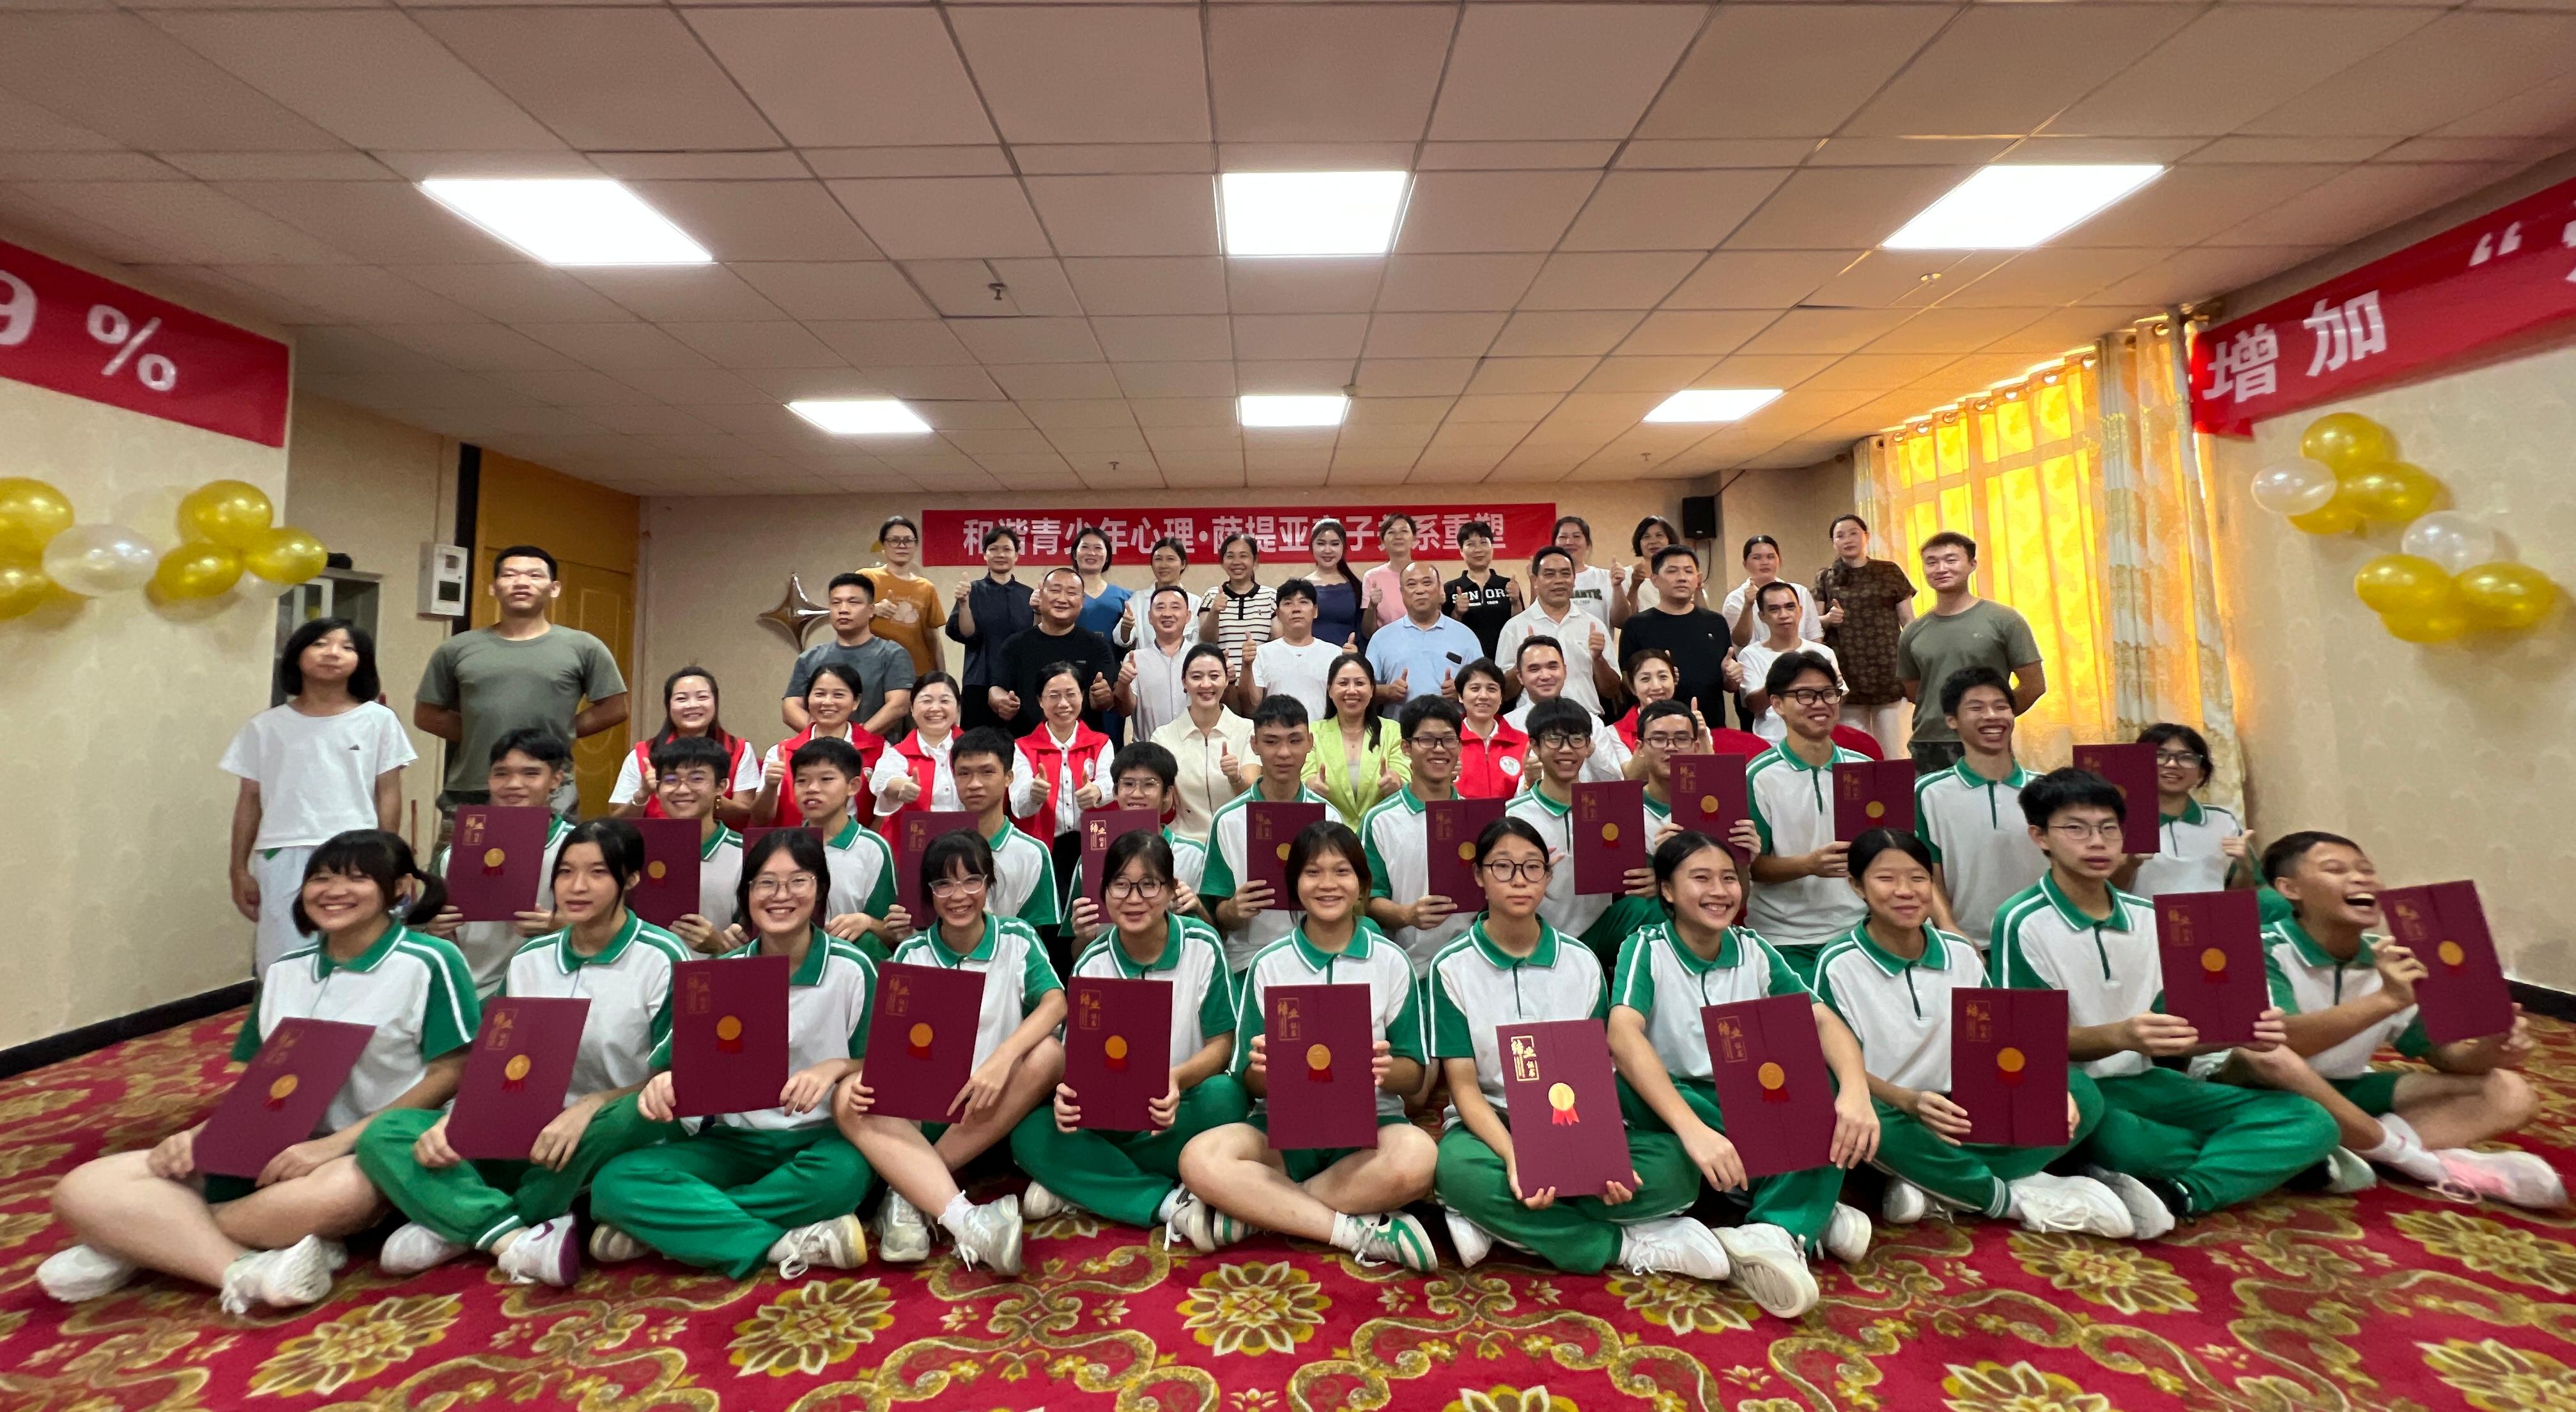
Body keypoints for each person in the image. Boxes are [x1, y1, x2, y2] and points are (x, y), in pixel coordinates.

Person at [43, 831, 474, 1312]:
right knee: (82, 1189)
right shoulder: (285, 970)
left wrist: (335, 1144)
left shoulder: (429, 961)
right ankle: (246, 1266)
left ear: (398, 889)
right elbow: (264, 1079)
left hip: (374, 1145)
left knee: (341, 1195)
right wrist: (200, 1135)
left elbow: (451, 1071)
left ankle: (140, 1240)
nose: (334, 891)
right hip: (273, 1138)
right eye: (321, 878)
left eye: (357, 878)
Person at [1991, 770, 2337, 1238]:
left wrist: (2237, 1034)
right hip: (2075, 1091)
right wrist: (2120, 1035)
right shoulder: (2022, 920)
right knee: (2130, 1147)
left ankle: (2178, 1192)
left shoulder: (2150, 919)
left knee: (2312, 1119)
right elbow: (2024, 1043)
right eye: (2075, 829)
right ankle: (2256, 1163)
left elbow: (2178, 1037)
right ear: (2040, 838)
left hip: (2147, 1082)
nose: (2097, 842)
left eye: (2109, 828)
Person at [359, 819, 691, 1286]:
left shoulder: (662, 955)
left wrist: (590, 1106)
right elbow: (497, 1063)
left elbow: (672, 1078)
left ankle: (463, 1219)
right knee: (386, 1132)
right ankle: (512, 1235)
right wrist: (456, 1120)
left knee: (642, 1111)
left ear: (631, 879)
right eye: (566, 872)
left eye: (597, 872)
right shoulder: (530, 958)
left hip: (612, 1125)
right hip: (530, 1123)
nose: (577, 886)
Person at [1429, 817, 1727, 1278]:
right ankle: (1622, 1245)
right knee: (1455, 1171)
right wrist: (1516, 1158)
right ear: (1479, 876)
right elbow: (1464, 1088)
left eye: (1532, 867)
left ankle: (1503, 1221)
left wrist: (1596, 1155)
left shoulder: (1580, 961)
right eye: (1503, 867)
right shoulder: (1451, 966)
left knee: (1677, 1169)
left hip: (1569, 1121)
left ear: (1548, 877)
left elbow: (1594, 1073)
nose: (1519, 880)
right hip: (1491, 1124)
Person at [2203, 833, 2558, 1206]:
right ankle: (2416, 1161)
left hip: (2342, 1088)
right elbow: (2280, 1042)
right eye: (2335, 870)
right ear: (2290, 889)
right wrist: (2387, 1000)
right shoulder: (2255, 947)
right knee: (2269, 1055)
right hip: (2249, 1092)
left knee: (2510, 1092)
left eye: (2367, 870)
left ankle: (2338, 1151)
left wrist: (2491, 1049)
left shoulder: (2391, 958)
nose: (2361, 879)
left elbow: (2448, 1057)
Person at [1607, 831, 1878, 1319]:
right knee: (1626, 1081)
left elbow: (1820, 1021)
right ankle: (1804, 1205)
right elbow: (1623, 1035)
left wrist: (1856, 1093)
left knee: (1830, 1083)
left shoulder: (1753, 948)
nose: (1719, 891)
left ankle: (1771, 1231)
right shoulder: (1646, 947)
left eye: (1729, 878)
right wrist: (1694, 1131)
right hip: (1677, 1100)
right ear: (1666, 890)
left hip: (1746, 1098)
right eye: (1701, 878)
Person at [586, 829, 877, 1280]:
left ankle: (674, 1227)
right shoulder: (721, 973)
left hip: (820, 1140)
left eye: (798, 881)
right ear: (747, 894)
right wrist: (665, 1081)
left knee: (846, 1176)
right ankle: (782, 1242)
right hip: (732, 1141)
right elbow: (673, 1067)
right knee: (614, 1183)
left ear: (820, 889)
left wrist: (835, 1067)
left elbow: (877, 1063)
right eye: (766, 883)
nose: (781, 896)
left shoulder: (852, 968)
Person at [1812, 829, 2131, 1236]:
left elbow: (2000, 1040)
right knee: (1845, 1109)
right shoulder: (1838, 962)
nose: (1905, 891)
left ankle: (1936, 1185)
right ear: (1857, 886)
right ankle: (2006, 1199)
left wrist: (2049, 1085)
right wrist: (1909, 1101)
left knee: (2081, 1091)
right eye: (1886, 879)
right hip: (1894, 1110)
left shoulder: (1959, 953)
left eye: (1917, 878)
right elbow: (1839, 1065)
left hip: (1964, 1110)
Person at [1171, 822, 1438, 1268]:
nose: (1328, 884)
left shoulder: (1391, 961)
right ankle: (1352, 1229)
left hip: (1371, 1129)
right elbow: (1250, 1082)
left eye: (1342, 872)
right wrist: (1263, 1069)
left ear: (1362, 885)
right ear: (1295, 884)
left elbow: (1414, 1076)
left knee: (1419, 1158)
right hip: (1283, 1128)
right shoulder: (1269, 964)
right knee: (1199, 1159)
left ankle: (1262, 1212)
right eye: (1313, 872)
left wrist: (1385, 1069)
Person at [845, 830, 1066, 1271]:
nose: (959, 896)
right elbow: (890, 1049)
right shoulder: (912, 953)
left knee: (1049, 1053)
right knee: (854, 1091)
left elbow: (1056, 1003)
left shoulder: (1017, 938)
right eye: (943, 884)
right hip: (929, 1110)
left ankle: (909, 1189)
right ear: (929, 893)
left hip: (996, 1104)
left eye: (971, 881)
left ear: (988, 883)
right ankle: (928, 1190)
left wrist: (1000, 1061)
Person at [1010, 830, 1249, 1231]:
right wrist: (1068, 1097)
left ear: (1171, 889)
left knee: (1226, 1097)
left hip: (1177, 1108)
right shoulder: (1092, 962)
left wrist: (1176, 1079)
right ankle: (1167, 1200)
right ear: (1104, 893)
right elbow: (1078, 1065)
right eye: (1120, 885)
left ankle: (1083, 1180)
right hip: (1110, 1116)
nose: (1134, 898)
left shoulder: (1202, 944)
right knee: (1029, 1131)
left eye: (1149, 885)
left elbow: (1222, 1045)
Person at [226, 617, 415, 976]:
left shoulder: (378, 720)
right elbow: (249, 800)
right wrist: (238, 869)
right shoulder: (265, 727)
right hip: (283, 851)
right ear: (297, 655)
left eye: (347, 647)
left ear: (361, 661)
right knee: (283, 958)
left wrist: (387, 857)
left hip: (358, 852)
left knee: (357, 951)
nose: (333, 653)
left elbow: (388, 792)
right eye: (320, 644)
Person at [415, 544, 628, 813]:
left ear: (554, 588)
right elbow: (426, 715)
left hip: (550, 789)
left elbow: (614, 709)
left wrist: (559, 731)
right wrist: (478, 730)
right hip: (473, 786)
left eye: (535, 575)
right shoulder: (456, 649)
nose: (521, 583)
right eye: (510, 575)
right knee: (464, 844)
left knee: (551, 844)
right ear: (493, 588)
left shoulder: (584, 647)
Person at [1745, 652, 1873, 981]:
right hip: (1784, 937)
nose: (1820, 704)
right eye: (1805, 695)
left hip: (1861, 931)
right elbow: (1752, 866)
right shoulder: (1758, 776)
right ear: (1777, 704)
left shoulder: (1865, 770)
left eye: (1829, 693)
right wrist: (1809, 865)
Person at [1504, 698, 1664, 960]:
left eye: (1576, 739)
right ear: (1535, 746)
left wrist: (1652, 879)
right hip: (1538, 934)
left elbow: (1635, 872)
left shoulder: (1612, 807)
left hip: (1599, 927)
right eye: (1554, 740)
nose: (1566, 749)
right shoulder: (1514, 815)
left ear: (1589, 746)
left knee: (1659, 905)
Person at [423, 728, 576, 994]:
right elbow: (429, 934)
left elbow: (611, 927)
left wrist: (561, 925)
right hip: (471, 992)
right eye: (501, 773)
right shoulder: (454, 854)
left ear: (556, 780)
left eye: (531, 773)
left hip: (548, 991)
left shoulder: (578, 847)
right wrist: (435, 929)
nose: (514, 784)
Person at [1199, 695, 1346, 971]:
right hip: (1247, 961)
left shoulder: (1329, 817)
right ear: (1254, 745)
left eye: (1295, 740)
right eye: (1271, 741)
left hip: (1316, 956)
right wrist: (1234, 909)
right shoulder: (1229, 819)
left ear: (1310, 743)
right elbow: (1218, 913)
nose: (1284, 753)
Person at [1911, 667, 2044, 946]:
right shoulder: (1927, 793)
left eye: (2001, 707)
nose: (1992, 716)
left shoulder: (2046, 790)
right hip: (1968, 944)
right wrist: (1949, 927)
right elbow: (1927, 872)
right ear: (1952, 720)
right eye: (1976, 708)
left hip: (2041, 941)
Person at [1896, 532, 2044, 772]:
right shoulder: (1913, 631)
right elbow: (1915, 691)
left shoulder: (2005, 620)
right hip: (1928, 743)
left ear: (1972, 564)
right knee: (1929, 798)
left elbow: (2034, 685)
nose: (1941, 568)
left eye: (1951, 560)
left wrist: (1992, 719)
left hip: (1987, 743)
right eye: (1932, 562)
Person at [1360, 696, 1481, 975]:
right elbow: (1367, 899)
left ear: (1459, 746)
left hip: (1473, 966)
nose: (1439, 749)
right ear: (1406, 747)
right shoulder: (1380, 820)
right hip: (1407, 969)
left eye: (1448, 740)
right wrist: (1407, 915)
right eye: (1426, 740)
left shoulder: (1479, 818)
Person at [1061, 742, 1212, 954]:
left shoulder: (1194, 854)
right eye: (1128, 784)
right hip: (1111, 969)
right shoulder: (1091, 858)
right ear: (1115, 791)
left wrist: (1198, 907)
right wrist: (1084, 937)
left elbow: (1218, 934)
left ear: (1167, 793)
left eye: (1149, 784)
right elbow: (1077, 954)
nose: (1137, 794)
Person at [1008, 662, 1116, 906]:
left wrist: (1098, 791)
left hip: (1092, 848)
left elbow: (1112, 781)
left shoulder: (1101, 743)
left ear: (1083, 696)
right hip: (1044, 851)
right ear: (1040, 701)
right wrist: (1033, 793)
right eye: (1054, 696)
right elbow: (1018, 807)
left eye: (1071, 694)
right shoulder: (1023, 747)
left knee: (1092, 915)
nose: (1063, 704)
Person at [790, 737, 906, 957]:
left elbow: (893, 934)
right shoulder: (783, 847)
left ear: (853, 786)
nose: (812, 789)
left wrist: (868, 922)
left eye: (826, 779)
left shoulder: (873, 849)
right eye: (802, 780)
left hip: (853, 965)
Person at [1814, 514, 1916, 759]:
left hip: (1889, 671)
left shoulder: (1889, 571)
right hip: (1846, 673)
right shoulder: (1825, 577)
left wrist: (1916, 665)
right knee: (1854, 755)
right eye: (1840, 536)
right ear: (1833, 542)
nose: (1848, 539)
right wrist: (1827, 619)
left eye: (1854, 533)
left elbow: (1909, 621)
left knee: (1895, 752)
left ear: (1866, 536)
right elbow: (1813, 627)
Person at [946, 727, 1064, 934]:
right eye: (964, 773)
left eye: (987, 772)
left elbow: (1034, 934)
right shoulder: (938, 846)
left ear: (1009, 777)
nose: (974, 784)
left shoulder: (1032, 853)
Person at [2117, 723, 2251, 900]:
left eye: (2186, 757)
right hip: (2143, 917)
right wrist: (2129, 866)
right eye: (2160, 755)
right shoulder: (2118, 821)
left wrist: (2245, 866)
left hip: (2208, 916)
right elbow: (2101, 895)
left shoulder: (2223, 821)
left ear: (2201, 773)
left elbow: (2240, 894)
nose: (2172, 764)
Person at [613, 666, 757, 825]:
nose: (692, 705)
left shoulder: (739, 749)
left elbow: (747, 816)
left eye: (702, 697)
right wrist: (643, 793)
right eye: (682, 699)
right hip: (655, 839)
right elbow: (617, 822)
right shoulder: (643, 754)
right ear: (668, 705)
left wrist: (706, 792)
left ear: (715, 702)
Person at [993, 565, 1123, 738]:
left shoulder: (1098, 646)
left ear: (1082, 601)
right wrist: (1001, 701)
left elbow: (1102, 702)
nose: (1062, 599)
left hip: (1082, 745)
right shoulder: (1015, 644)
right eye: (1055, 591)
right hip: (1025, 743)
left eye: (1071, 593)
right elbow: (996, 688)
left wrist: (1102, 697)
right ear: (1041, 595)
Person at [785, 573, 916, 741]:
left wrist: (853, 739)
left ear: (871, 610)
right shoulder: (809, 658)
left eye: (853, 602)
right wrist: (827, 738)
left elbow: (899, 705)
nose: (843, 610)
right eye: (836, 603)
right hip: (821, 749)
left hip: (878, 750)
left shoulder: (892, 654)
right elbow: (790, 707)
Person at [754, 663, 884, 830]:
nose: (827, 702)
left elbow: (887, 814)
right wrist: (770, 787)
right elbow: (760, 819)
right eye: (820, 694)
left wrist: (864, 842)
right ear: (808, 700)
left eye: (838, 695)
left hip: (855, 842)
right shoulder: (781, 752)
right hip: (796, 843)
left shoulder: (880, 750)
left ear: (856, 702)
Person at [1616, 544, 1734, 730]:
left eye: (1688, 571)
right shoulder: (1636, 625)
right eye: (1672, 571)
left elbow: (1729, 685)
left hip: (1711, 727)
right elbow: (1626, 682)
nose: (1682, 578)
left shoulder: (1716, 622)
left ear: (1698, 579)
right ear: (1655, 580)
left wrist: (1732, 676)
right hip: (1656, 730)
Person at [647, 735, 743, 951]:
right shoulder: (637, 850)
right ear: (658, 789)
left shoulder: (747, 854)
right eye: (671, 780)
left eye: (697, 779)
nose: (682, 790)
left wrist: (719, 946)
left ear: (721, 786)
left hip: (717, 970)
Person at [1151, 644, 1254, 843]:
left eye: (1214, 676)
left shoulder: (1247, 730)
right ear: (1184, 682)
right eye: (1197, 677)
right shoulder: (1162, 737)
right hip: (1183, 844)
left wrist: (1236, 778)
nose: (1206, 685)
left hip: (1237, 842)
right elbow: (1161, 806)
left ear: (1226, 680)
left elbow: (1253, 796)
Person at [1500, 548, 1618, 718]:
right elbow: (1504, 693)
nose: (1559, 580)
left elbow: (1611, 691)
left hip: (1586, 720)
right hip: (1533, 722)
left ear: (1574, 580)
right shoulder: (1515, 627)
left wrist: (1599, 659)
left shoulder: (1594, 625)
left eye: (1565, 574)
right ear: (1535, 581)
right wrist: (1524, 659)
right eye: (1549, 574)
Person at [1503, 638, 1628, 783]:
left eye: (1553, 667)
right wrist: (1528, 782)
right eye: (1534, 669)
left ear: (1565, 670)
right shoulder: (1506, 726)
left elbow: (1615, 782)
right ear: (1520, 677)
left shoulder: (1592, 723)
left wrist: (1592, 752)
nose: (1545, 676)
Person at [948, 525, 1034, 733]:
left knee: (1020, 745)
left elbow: (1034, 639)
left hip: (1018, 686)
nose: (1000, 555)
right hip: (979, 682)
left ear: (1017, 556)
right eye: (994, 549)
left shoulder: (1028, 595)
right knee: (976, 745)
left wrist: (1039, 611)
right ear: (985, 555)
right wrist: (964, 603)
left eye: (1007, 549)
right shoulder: (972, 591)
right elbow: (967, 634)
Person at [1732, 582, 1841, 744]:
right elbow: (1753, 706)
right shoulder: (1751, 654)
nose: (1784, 615)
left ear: (1800, 611)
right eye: (1774, 609)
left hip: (1818, 741)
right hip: (1771, 742)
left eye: (1790, 607)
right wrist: (1782, 676)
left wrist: (1829, 691)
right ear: (1762, 616)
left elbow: (1839, 698)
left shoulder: (1823, 652)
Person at [1307, 653, 1410, 823]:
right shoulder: (1312, 733)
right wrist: (1309, 787)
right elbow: (1303, 779)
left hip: (1379, 829)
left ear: (1372, 689)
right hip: (1327, 831)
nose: (1352, 691)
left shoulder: (1393, 731)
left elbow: (1406, 780)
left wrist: (1399, 784)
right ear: (1330, 689)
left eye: (1360, 683)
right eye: (1343, 683)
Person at [1368, 560, 1482, 703]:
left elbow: (1483, 685)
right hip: (1399, 718)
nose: (1420, 590)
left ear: (1440, 588)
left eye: (1427, 583)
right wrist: (1386, 691)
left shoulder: (1465, 636)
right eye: (1411, 585)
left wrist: (1462, 690)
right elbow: (1365, 687)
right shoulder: (1381, 638)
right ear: (1402, 593)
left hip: (1452, 718)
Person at [1618, 650, 1766, 761]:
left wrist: (1701, 736)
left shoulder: (1694, 723)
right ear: (1632, 688)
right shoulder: (1616, 733)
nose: (1656, 686)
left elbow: (1709, 770)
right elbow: (1629, 778)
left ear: (1675, 680)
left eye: (1663, 677)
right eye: (1645, 679)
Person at [872, 673, 964, 840]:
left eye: (945, 701)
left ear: (957, 708)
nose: (935, 708)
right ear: (912, 709)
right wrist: (900, 787)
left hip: (968, 845)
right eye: (926, 701)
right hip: (914, 847)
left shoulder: (975, 751)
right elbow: (884, 780)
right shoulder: (897, 755)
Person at [862, 516, 945, 680]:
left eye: (908, 541)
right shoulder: (866, 578)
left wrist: (942, 677)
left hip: (917, 673)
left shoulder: (926, 587)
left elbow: (933, 638)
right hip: (874, 671)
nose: (902, 546)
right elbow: (849, 617)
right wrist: (873, 609)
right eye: (895, 540)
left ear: (916, 546)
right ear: (883, 544)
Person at [1244, 579, 1341, 719]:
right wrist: (1247, 666)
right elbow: (1252, 707)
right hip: (1277, 730)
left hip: (1324, 731)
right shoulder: (1261, 654)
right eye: (1288, 603)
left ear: (1315, 611)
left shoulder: (1336, 654)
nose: (1296, 609)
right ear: (1278, 613)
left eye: (1303, 602)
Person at [1122, 584, 1198, 742]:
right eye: (1160, 608)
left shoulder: (1200, 657)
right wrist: (1124, 684)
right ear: (1150, 617)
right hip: (1149, 750)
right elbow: (1124, 710)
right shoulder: (1135, 659)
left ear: (1188, 616)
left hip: (1194, 748)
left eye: (1175, 607)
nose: (1167, 614)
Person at [1721, 535, 1823, 650]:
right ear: (1745, 564)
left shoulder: (1800, 592)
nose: (1765, 562)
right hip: (1757, 661)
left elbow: (1814, 636)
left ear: (1780, 561)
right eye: (1757, 558)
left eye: (1771, 557)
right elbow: (1740, 641)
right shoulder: (1735, 599)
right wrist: (1747, 606)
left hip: (1801, 659)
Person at [1198, 532, 1278, 679]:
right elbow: (1206, 640)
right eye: (1230, 556)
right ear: (1222, 561)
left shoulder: (1271, 597)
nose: (1236, 562)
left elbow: (1279, 641)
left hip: (1260, 681)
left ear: (1255, 561)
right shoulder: (1211, 595)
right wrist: (1214, 612)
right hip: (1221, 681)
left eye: (1243, 556)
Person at [1451, 659, 1531, 801]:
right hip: (1460, 814)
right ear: (1460, 696)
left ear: (1501, 698)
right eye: (1475, 689)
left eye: (1492, 689)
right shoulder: (1447, 743)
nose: (1483, 696)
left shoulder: (1524, 743)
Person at [1444, 520, 1523, 660]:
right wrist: (1457, 613)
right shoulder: (1451, 589)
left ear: (1492, 548)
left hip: (1504, 662)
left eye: (1483, 543)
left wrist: (1516, 602)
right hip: (1466, 663)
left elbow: (1519, 626)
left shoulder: (1508, 585)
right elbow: (1445, 633)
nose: (1478, 550)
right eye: (1470, 544)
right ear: (1461, 551)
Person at [1116, 537, 1195, 654]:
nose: (1163, 565)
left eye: (1170, 559)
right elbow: (1120, 639)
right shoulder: (1139, 600)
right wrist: (1126, 629)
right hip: (1148, 664)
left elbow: (1201, 642)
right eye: (1158, 559)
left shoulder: (1195, 602)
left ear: (1183, 564)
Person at [1302, 518, 1368, 649]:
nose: (1328, 550)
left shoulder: (1357, 587)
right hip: (1310, 657)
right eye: (1321, 544)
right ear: (1312, 547)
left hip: (1347, 657)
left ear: (1344, 547)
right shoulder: (1301, 588)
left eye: (1335, 544)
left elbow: (1363, 633)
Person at [1621, 516, 1704, 616]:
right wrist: (1635, 586)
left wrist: (1698, 588)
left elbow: (1702, 615)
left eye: (1659, 535)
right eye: (1646, 537)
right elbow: (1624, 619)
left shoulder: (1683, 576)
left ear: (1670, 539)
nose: (1653, 541)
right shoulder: (1626, 576)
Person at [1552, 516, 1623, 630]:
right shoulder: (1547, 580)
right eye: (1563, 537)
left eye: (1576, 536)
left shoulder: (1606, 577)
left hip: (1598, 641)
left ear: (1588, 544)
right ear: (1555, 544)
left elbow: (1621, 622)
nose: (1569, 542)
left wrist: (1618, 587)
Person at [1070, 526, 1132, 641]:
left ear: (1107, 557)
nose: (1091, 553)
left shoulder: (1127, 598)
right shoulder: (1061, 595)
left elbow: (1133, 642)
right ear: (1075, 554)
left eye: (1098, 548)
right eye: (1085, 547)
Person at [1361, 512, 1419, 629]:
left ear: (1413, 538)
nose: (1398, 536)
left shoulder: (1427, 573)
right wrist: (1372, 606)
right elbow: (1368, 632)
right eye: (1392, 532)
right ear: (1383, 540)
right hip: (1387, 639)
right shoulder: (1372, 577)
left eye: (1404, 531)